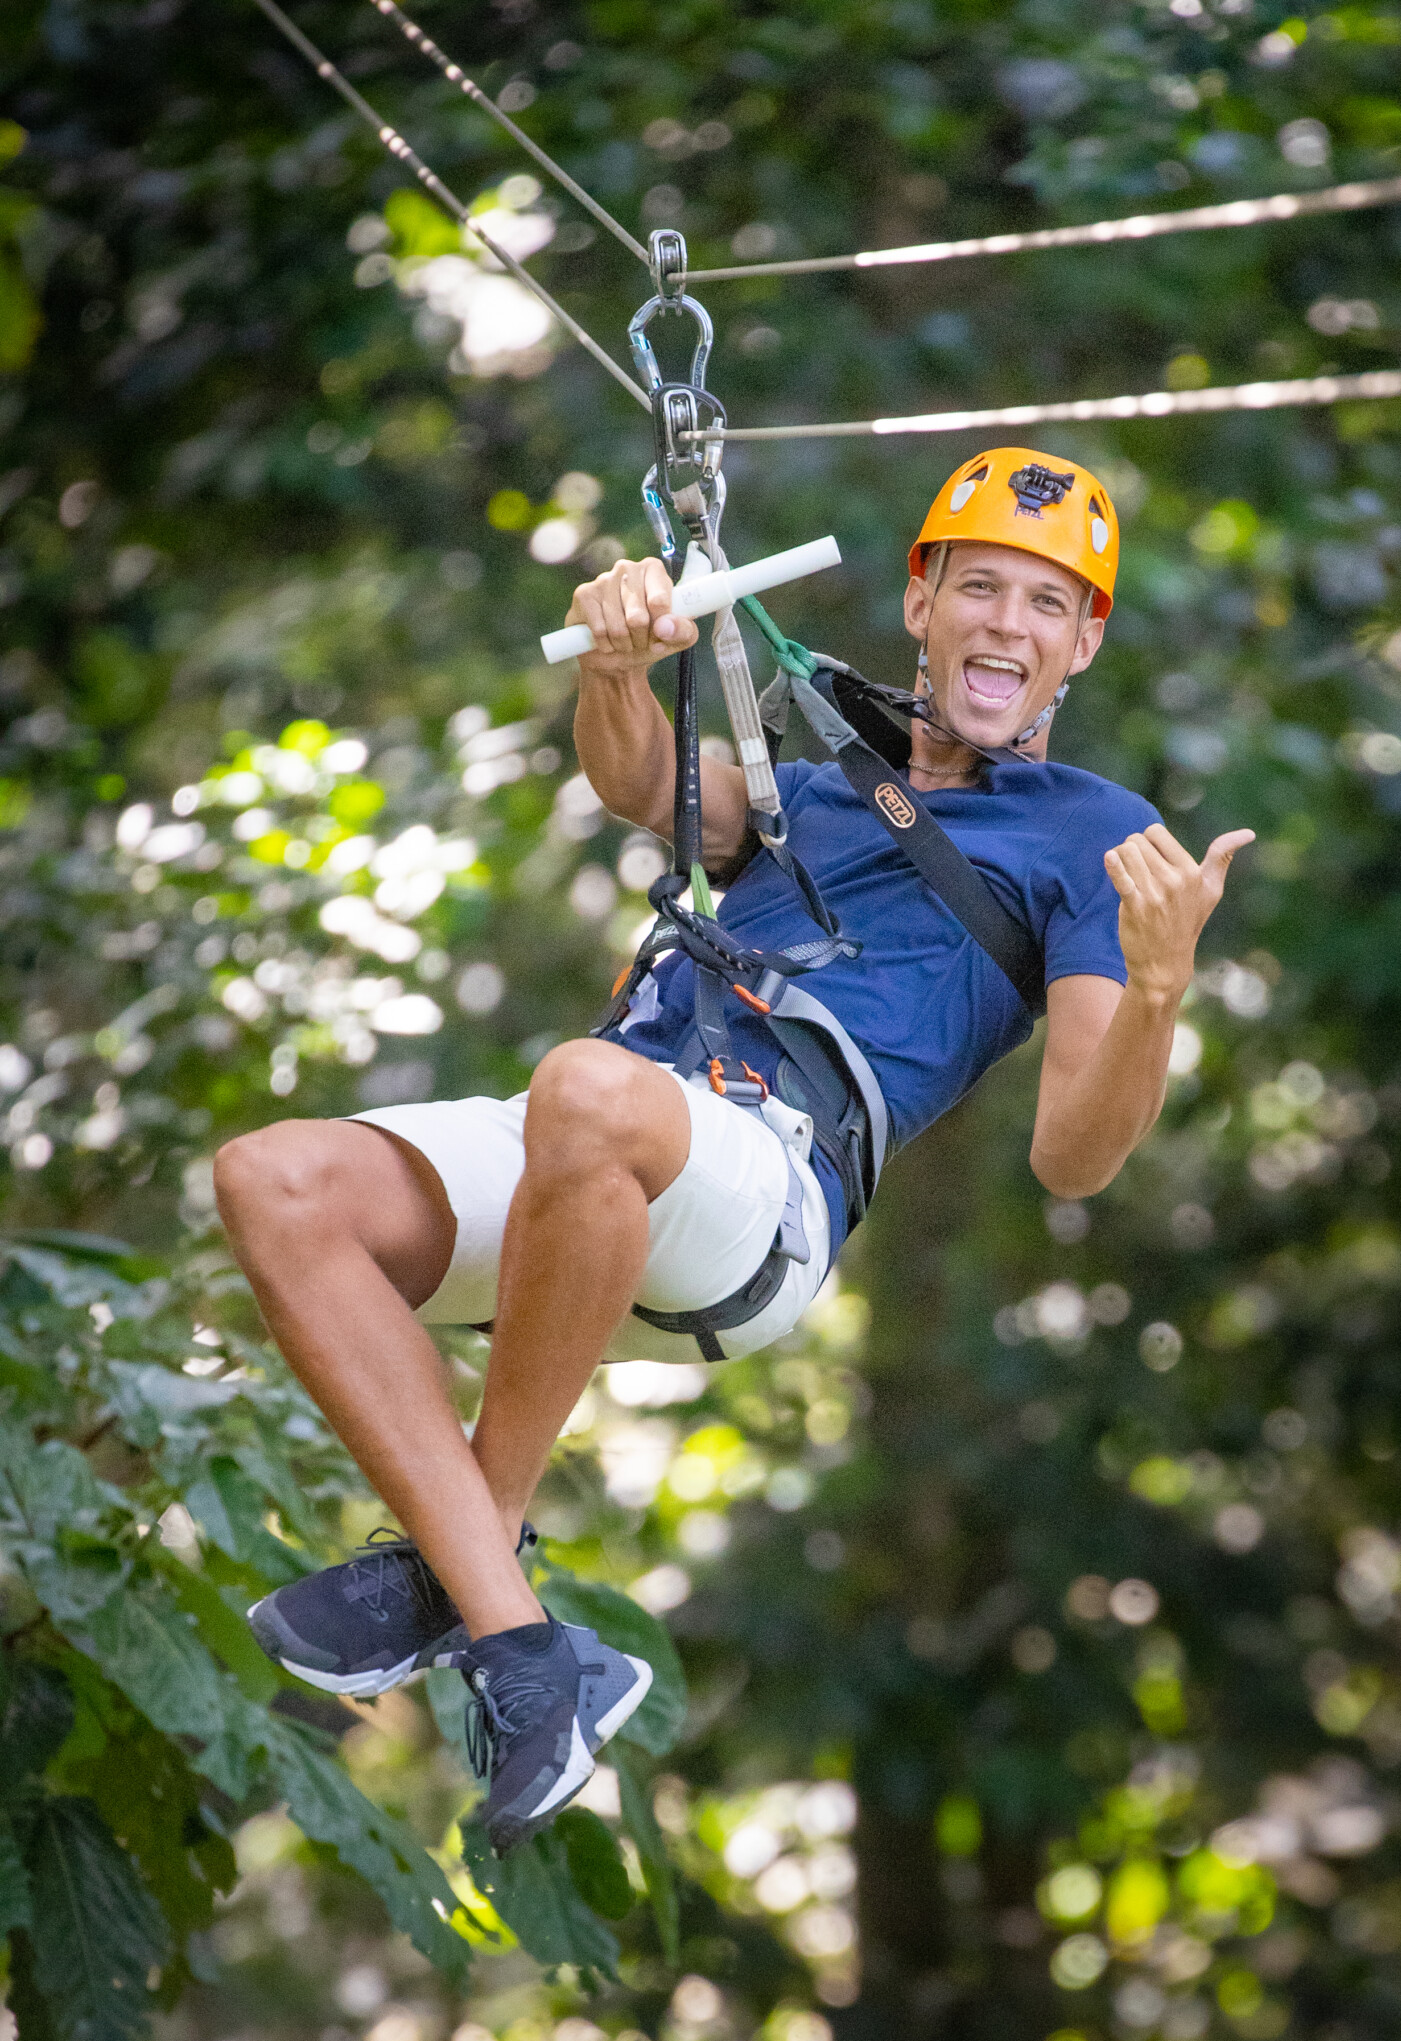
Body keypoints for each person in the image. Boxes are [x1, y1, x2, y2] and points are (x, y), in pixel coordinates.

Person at [217, 447, 1251, 1852]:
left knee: (582, 1090)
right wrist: (617, 663)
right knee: (274, 1182)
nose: (1008, 625)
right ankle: (523, 1643)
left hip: (758, 1196)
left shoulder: (1097, 841)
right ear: (921, 601)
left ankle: (470, 1569)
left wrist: (1159, 987)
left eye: (1047, 605)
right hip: (595, 1152)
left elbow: (1074, 1160)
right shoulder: (820, 778)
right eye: (982, 589)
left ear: (1084, 642)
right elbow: (643, 784)